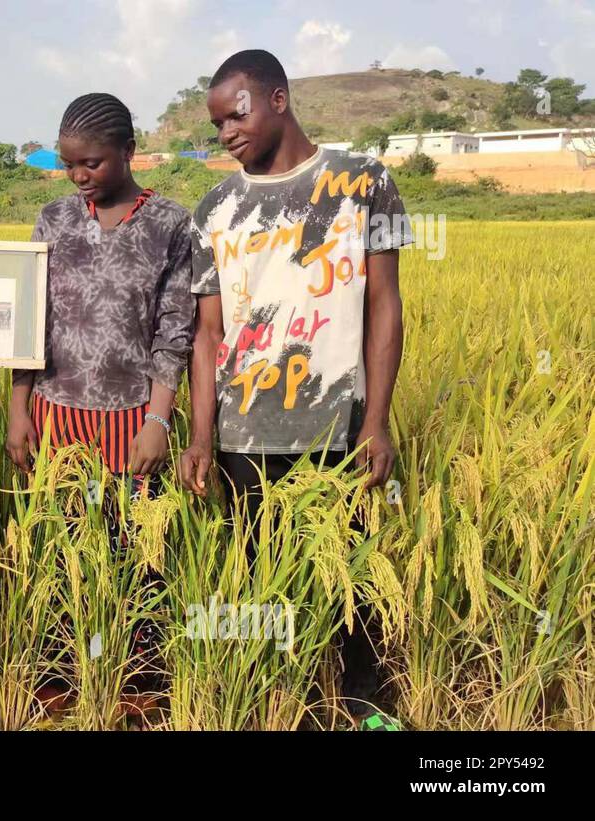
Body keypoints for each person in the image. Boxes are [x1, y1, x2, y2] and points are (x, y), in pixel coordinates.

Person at [178, 50, 410, 730]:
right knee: (261, 578)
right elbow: (205, 333)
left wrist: (379, 420)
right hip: (245, 431)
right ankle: (291, 705)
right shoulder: (215, 208)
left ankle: (364, 703)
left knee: (354, 576)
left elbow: (386, 306)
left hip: (339, 422)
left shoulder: (361, 181)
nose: (227, 132)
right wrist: (199, 434)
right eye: (217, 123)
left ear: (278, 99)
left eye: (237, 113)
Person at [7, 92, 195, 489]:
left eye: (92, 163)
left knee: (128, 542)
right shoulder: (54, 219)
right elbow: (30, 319)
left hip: (134, 420)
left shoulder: (170, 224)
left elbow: (174, 334)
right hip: (52, 416)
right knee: (61, 542)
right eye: (69, 164)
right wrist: (17, 410)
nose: (79, 176)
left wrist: (158, 422)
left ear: (128, 150)